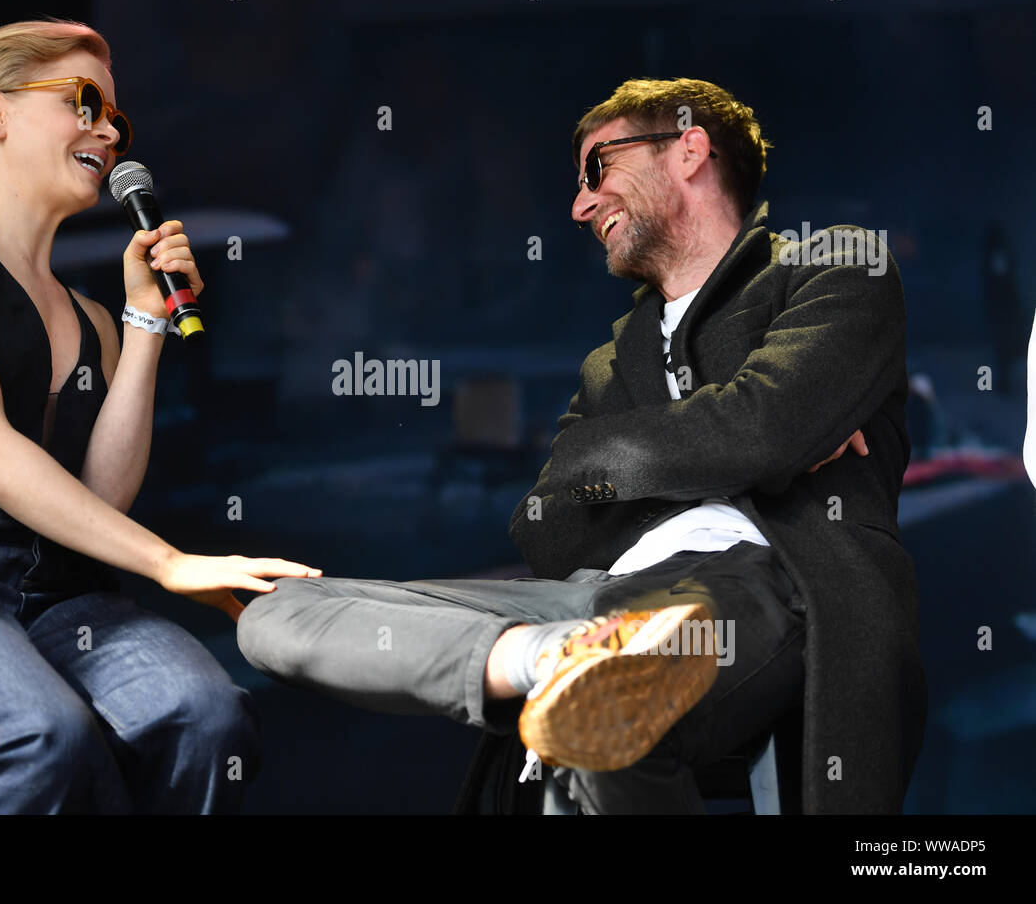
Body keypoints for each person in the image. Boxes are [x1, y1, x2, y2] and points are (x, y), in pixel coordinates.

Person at [237, 78, 926, 814]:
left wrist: (732, 438)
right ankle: (550, 660)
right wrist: (755, 435)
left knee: (600, 719)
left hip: (756, 581)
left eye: (598, 168)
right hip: (592, 602)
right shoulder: (611, 361)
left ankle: (591, 672)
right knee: (275, 615)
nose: (580, 205)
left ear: (690, 149)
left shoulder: (832, 271)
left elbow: (758, 432)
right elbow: (545, 527)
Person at [0, 18, 320, 814]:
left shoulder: (93, 320)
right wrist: (172, 565)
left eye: (117, 119)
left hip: (56, 589)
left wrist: (145, 324)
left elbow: (100, 503)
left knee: (203, 717)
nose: (108, 131)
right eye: (84, 102)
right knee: (36, 735)